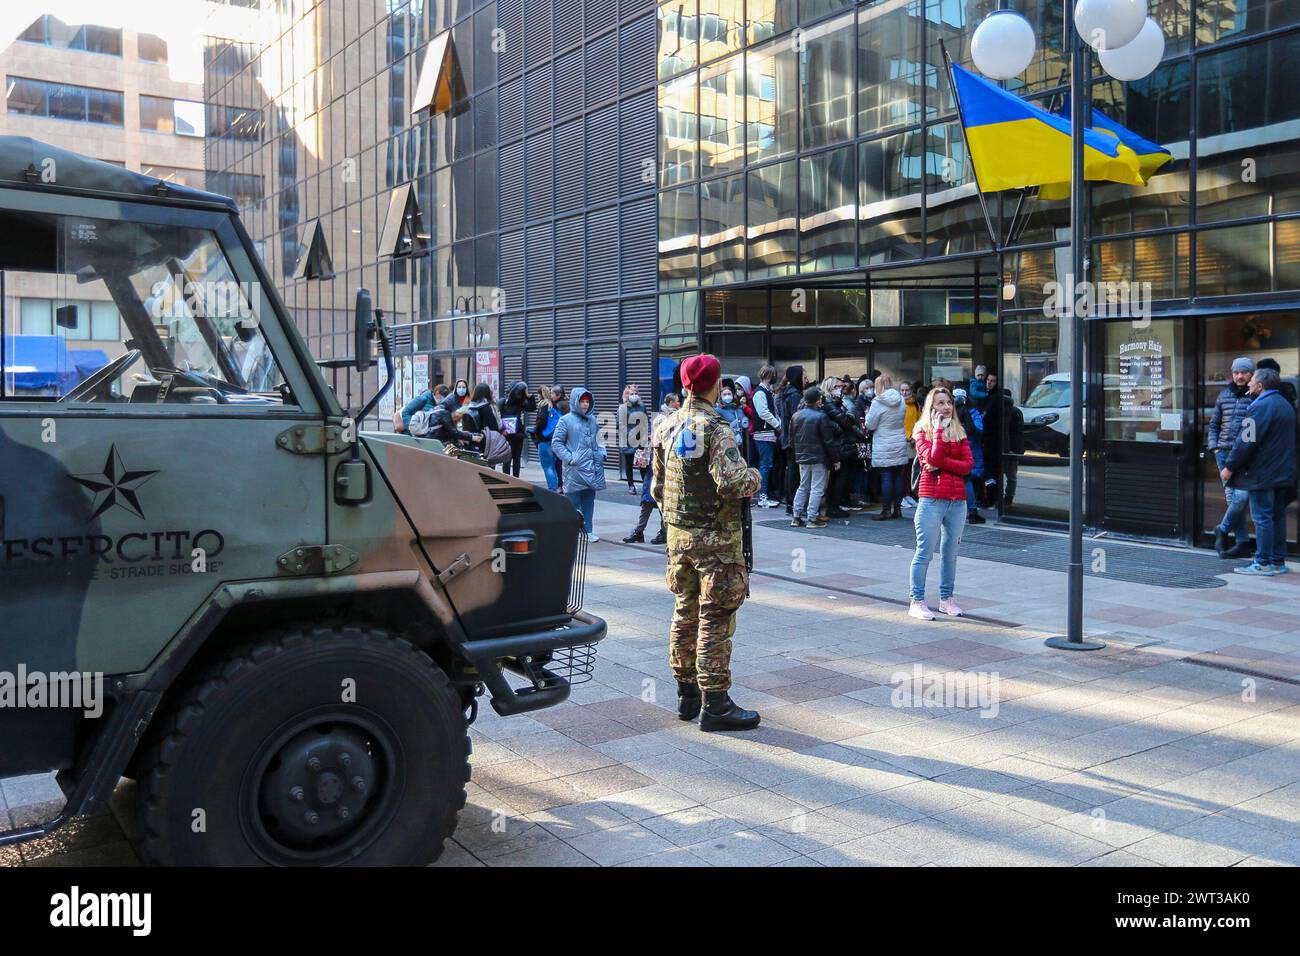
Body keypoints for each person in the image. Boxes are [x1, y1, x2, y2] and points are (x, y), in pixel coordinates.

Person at [651, 353, 762, 732]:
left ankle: (687, 696)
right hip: (716, 542)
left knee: (685, 610)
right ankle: (715, 703)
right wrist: (755, 475)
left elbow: (657, 488)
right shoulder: (717, 429)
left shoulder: (665, 426)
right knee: (715, 617)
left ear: (684, 385)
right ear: (716, 386)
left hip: (679, 537)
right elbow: (732, 482)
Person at [1222, 367, 1297, 576]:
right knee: (1277, 516)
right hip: (1283, 472)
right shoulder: (1285, 404)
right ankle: (1277, 561)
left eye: (1252, 380)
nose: (1249, 383)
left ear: (1261, 385)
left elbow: (1246, 442)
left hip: (1263, 473)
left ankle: (1263, 562)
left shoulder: (1260, 406)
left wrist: (1229, 466)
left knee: (1262, 517)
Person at [909, 386, 973, 620]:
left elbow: (967, 465)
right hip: (932, 499)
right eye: (940, 403)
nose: (946, 407)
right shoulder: (922, 430)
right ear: (931, 406)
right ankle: (916, 601)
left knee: (951, 553)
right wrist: (937, 433)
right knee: (924, 552)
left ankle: (946, 599)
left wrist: (943, 463)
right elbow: (931, 460)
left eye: (948, 402)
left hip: (957, 501)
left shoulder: (958, 429)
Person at [1207, 357, 1256, 558]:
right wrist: (1215, 448)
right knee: (1232, 499)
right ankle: (1243, 542)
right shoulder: (1224, 395)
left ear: (1251, 374)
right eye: (1236, 372)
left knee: (1241, 497)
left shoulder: (1255, 396)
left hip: (1245, 455)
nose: (1239, 376)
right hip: (1224, 454)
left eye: (1244, 372)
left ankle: (1223, 529)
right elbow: (1213, 426)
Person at [552, 387, 606, 542]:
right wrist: (570, 458)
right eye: (582, 401)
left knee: (589, 499)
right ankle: (573, 530)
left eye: (587, 402)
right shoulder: (565, 420)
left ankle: (588, 530)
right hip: (574, 468)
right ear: (575, 401)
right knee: (573, 501)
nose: (585, 405)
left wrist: (602, 453)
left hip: (593, 467)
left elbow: (599, 439)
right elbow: (556, 443)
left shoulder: (593, 419)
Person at [790, 386, 838, 529]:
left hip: (802, 456)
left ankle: (796, 516)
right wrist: (835, 459)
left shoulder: (796, 416)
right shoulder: (821, 416)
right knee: (817, 488)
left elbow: (791, 439)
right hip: (819, 457)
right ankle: (811, 518)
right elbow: (828, 441)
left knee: (803, 486)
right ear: (818, 401)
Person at [865, 373, 910, 520]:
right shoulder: (901, 400)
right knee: (898, 476)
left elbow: (870, 424)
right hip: (899, 441)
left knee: (886, 477)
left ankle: (885, 510)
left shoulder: (877, 402)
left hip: (884, 442)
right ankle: (898, 509)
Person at [820, 376, 865, 518]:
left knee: (840, 476)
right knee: (839, 476)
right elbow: (844, 420)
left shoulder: (836, 402)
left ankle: (834, 505)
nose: (840, 390)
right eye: (837, 387)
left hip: (841, 443)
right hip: (837, 444)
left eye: (841, 387)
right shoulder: (828, 403)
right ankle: (833, 507)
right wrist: (849, 419)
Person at [776, 365, 807, 516]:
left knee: (791, 470)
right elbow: (797, 417)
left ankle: (790, 502)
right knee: (794, 471)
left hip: (788, 437)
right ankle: (792, 502)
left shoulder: (787, 393)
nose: (805, 379)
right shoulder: (794, 395)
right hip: (793, 438)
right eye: (803, 376)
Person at [953, 388, 986, 524]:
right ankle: (972, 511)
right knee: (967, 481)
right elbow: (979, 430)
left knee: (960, 481)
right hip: (970, 452)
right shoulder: (973, 413)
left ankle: (959, 510)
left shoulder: (950, 414)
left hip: (958, 452)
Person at [751, 365, 783, 508]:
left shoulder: (765, 392)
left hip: (766, 433)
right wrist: (777, 424)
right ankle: (762, 497)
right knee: (765, 465)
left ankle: (764, 495)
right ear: (769, 376)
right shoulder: (760, 393)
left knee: (766, 465)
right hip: (764, 434)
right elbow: (763, 412)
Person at [498, 381, 537, 477]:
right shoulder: (503, 402)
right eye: (519, 393)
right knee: (507, 459)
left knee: (517, 458)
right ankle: (506, 479)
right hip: (506, 435)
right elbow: (496, 417)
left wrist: (529, 396)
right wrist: (502, 429)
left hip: (518, 435)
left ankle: (516, 479)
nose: (520, 395)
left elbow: (532, 408)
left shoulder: (521, 403)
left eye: (522, 393)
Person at [532, 385, 567, 491]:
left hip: (544, 440)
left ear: (540, 394)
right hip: (554, 439)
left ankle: (552, 490)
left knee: (547, 466)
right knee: (554, 465)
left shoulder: (543, 405)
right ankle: (557, 487)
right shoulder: (553, 405)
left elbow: (541, 421)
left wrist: (536, 432)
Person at [617, 384, 651, 494]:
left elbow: (647, 421)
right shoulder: (623, 408)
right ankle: (631, 485)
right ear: (628, 394)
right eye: (632, 393)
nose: (634, 395)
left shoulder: (642, 406)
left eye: (636, 393)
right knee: (629, 463)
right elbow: (620, 425)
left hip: (641, 440)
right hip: (628, 441)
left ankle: (646, 486)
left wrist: (649, 434)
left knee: (643, 464)